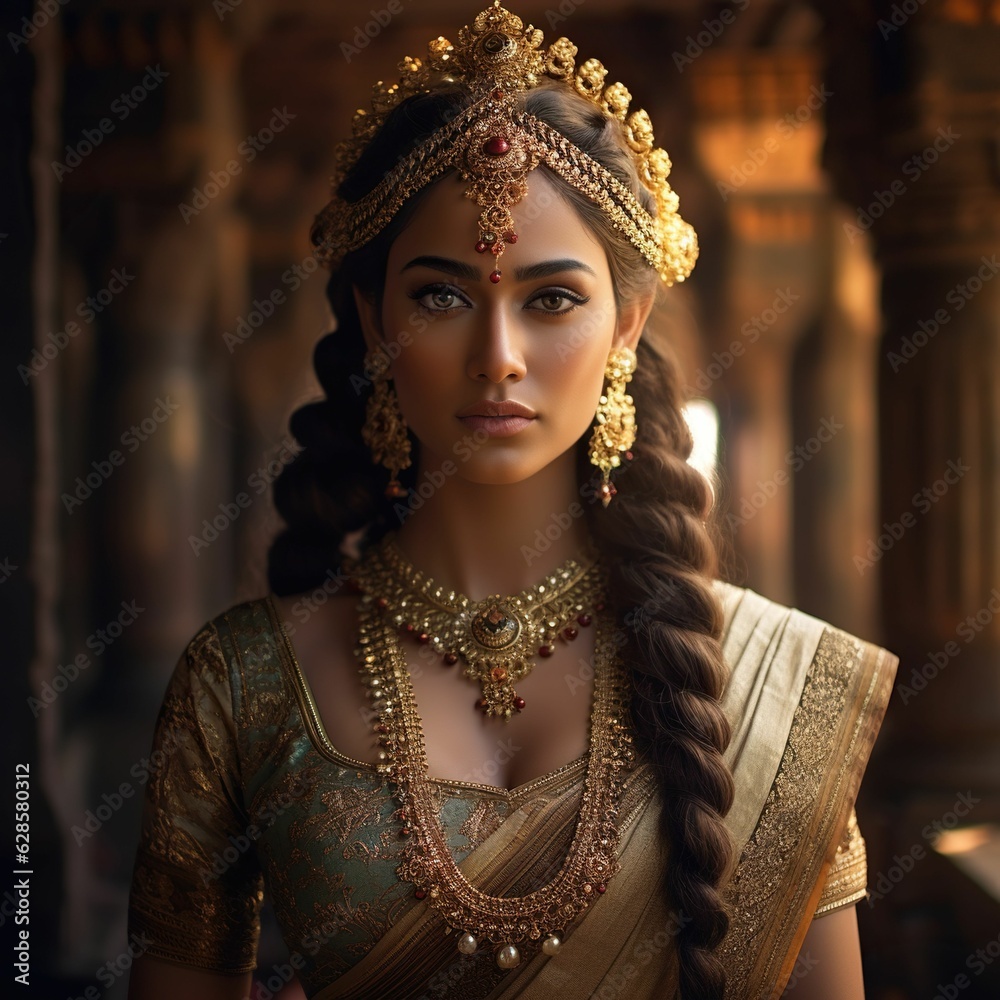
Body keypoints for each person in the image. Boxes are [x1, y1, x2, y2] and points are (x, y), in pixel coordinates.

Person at [126, 4, 897, 998]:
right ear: (372, 321)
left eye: (551, 299)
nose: (498, 358)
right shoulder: (243, 685)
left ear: (629, 324)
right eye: (442, 296)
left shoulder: (768, 691)